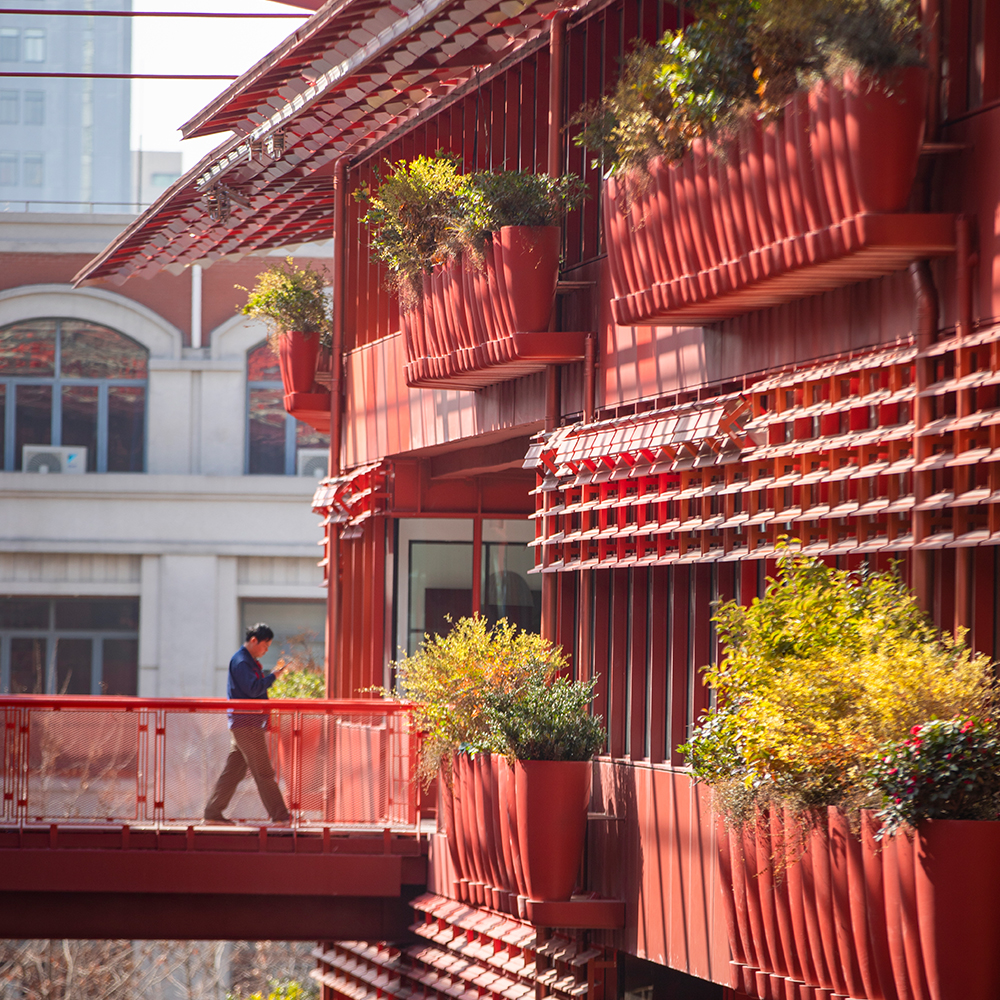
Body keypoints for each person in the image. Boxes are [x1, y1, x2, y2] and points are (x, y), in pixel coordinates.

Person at [204, 623, 291, 824]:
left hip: (244, 722)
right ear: (254, 641)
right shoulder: (242, 661)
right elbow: (253, 689)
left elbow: (251, 688)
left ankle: (212, 813)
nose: (266, 650)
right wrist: (273, 677)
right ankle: (281, 816)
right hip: (247, 723)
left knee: (234, 771)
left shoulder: (244, 660)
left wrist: (270, 677)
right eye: (265, 645)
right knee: (263, 770)